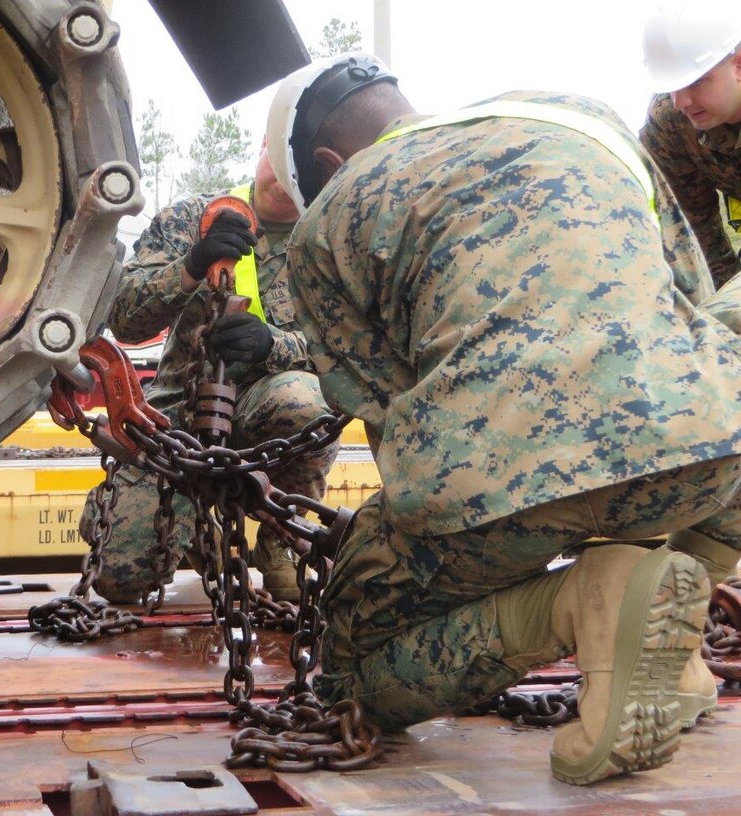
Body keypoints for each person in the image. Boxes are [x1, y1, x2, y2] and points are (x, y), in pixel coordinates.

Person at [265, 52, 741, 785]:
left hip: (496, 486)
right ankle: (671, 622)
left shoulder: (326, 224)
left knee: (351, 673)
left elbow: (384, 408)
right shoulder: (582, 115)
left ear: (328, 163)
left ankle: (583, 602)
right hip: (701, 450)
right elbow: (691, 293)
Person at [77, 139, 339, 603]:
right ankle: (191, 524)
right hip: (180, 424)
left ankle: (282, 540)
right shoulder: (193, 219)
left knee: (307, 401)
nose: (282, 178)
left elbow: (349, 351)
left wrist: (272, 346)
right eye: (278, 160)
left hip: (268, 414)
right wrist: (190, 266)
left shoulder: (332, 242)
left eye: (298, 171)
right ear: (262, 144)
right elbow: (125, 320)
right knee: (119, 579)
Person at [640, 0, 741, 290]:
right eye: (671, 85)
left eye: (696, 82)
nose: (680, 101)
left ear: (739, 65)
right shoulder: (670, 122)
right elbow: (693, 233)